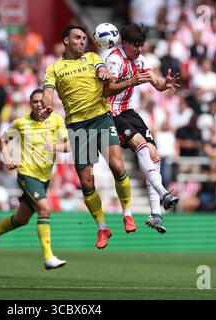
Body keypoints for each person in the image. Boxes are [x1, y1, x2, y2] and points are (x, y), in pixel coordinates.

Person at [42, 24, 134, 249]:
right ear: (66, 40)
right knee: (86, 181)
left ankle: (127, 213)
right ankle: (102, 227)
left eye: (84, 38)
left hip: (101, 118)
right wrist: (46, 106)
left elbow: (104, 73)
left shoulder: (94, 58)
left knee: (117, 165)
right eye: (77, 38)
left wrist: (104, 73)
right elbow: (47, 93)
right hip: (78, 126)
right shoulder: (54, 68)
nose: (82, 41)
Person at [0, 89, 70, 269]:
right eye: (35, 101)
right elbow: (3, 140)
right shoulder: (21, 123)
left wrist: (55, 146)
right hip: (27, 174)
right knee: (45, 208)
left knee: (21, 219)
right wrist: (8, 159)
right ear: (30, 104)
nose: (39, 104)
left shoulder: (57, 120)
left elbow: (68, 146)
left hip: (44, 178)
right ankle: (48, 257)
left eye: (41, 101)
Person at [102, 23, 180, 233]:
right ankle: (164, 193)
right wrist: (132, 82)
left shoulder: (140, 60)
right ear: (124, 43)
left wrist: (165, 84)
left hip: (128, 111)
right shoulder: (114, 59)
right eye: (135, 45)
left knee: (155, 155)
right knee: (141, 145)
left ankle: (155, 215)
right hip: (110, 112)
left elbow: (155, 82)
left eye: (141, 45)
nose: (139, 49)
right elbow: (105, 90)